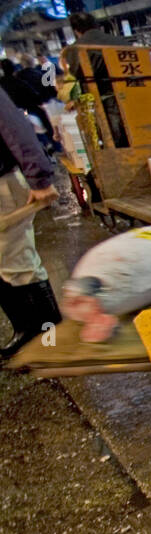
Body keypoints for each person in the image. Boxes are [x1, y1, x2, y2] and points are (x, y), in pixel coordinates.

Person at [0, 88, 60, 362]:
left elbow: (14, 125)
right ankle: (25, 330)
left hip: (2, 183)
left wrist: (40, 177)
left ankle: (51, 337)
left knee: (17, 262)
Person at [0, 60, 55, 144]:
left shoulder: (3, 86)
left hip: (13, 116)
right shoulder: (18, 81)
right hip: (28, 110)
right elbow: (34, 96)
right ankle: (55, 144)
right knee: (46, 121)